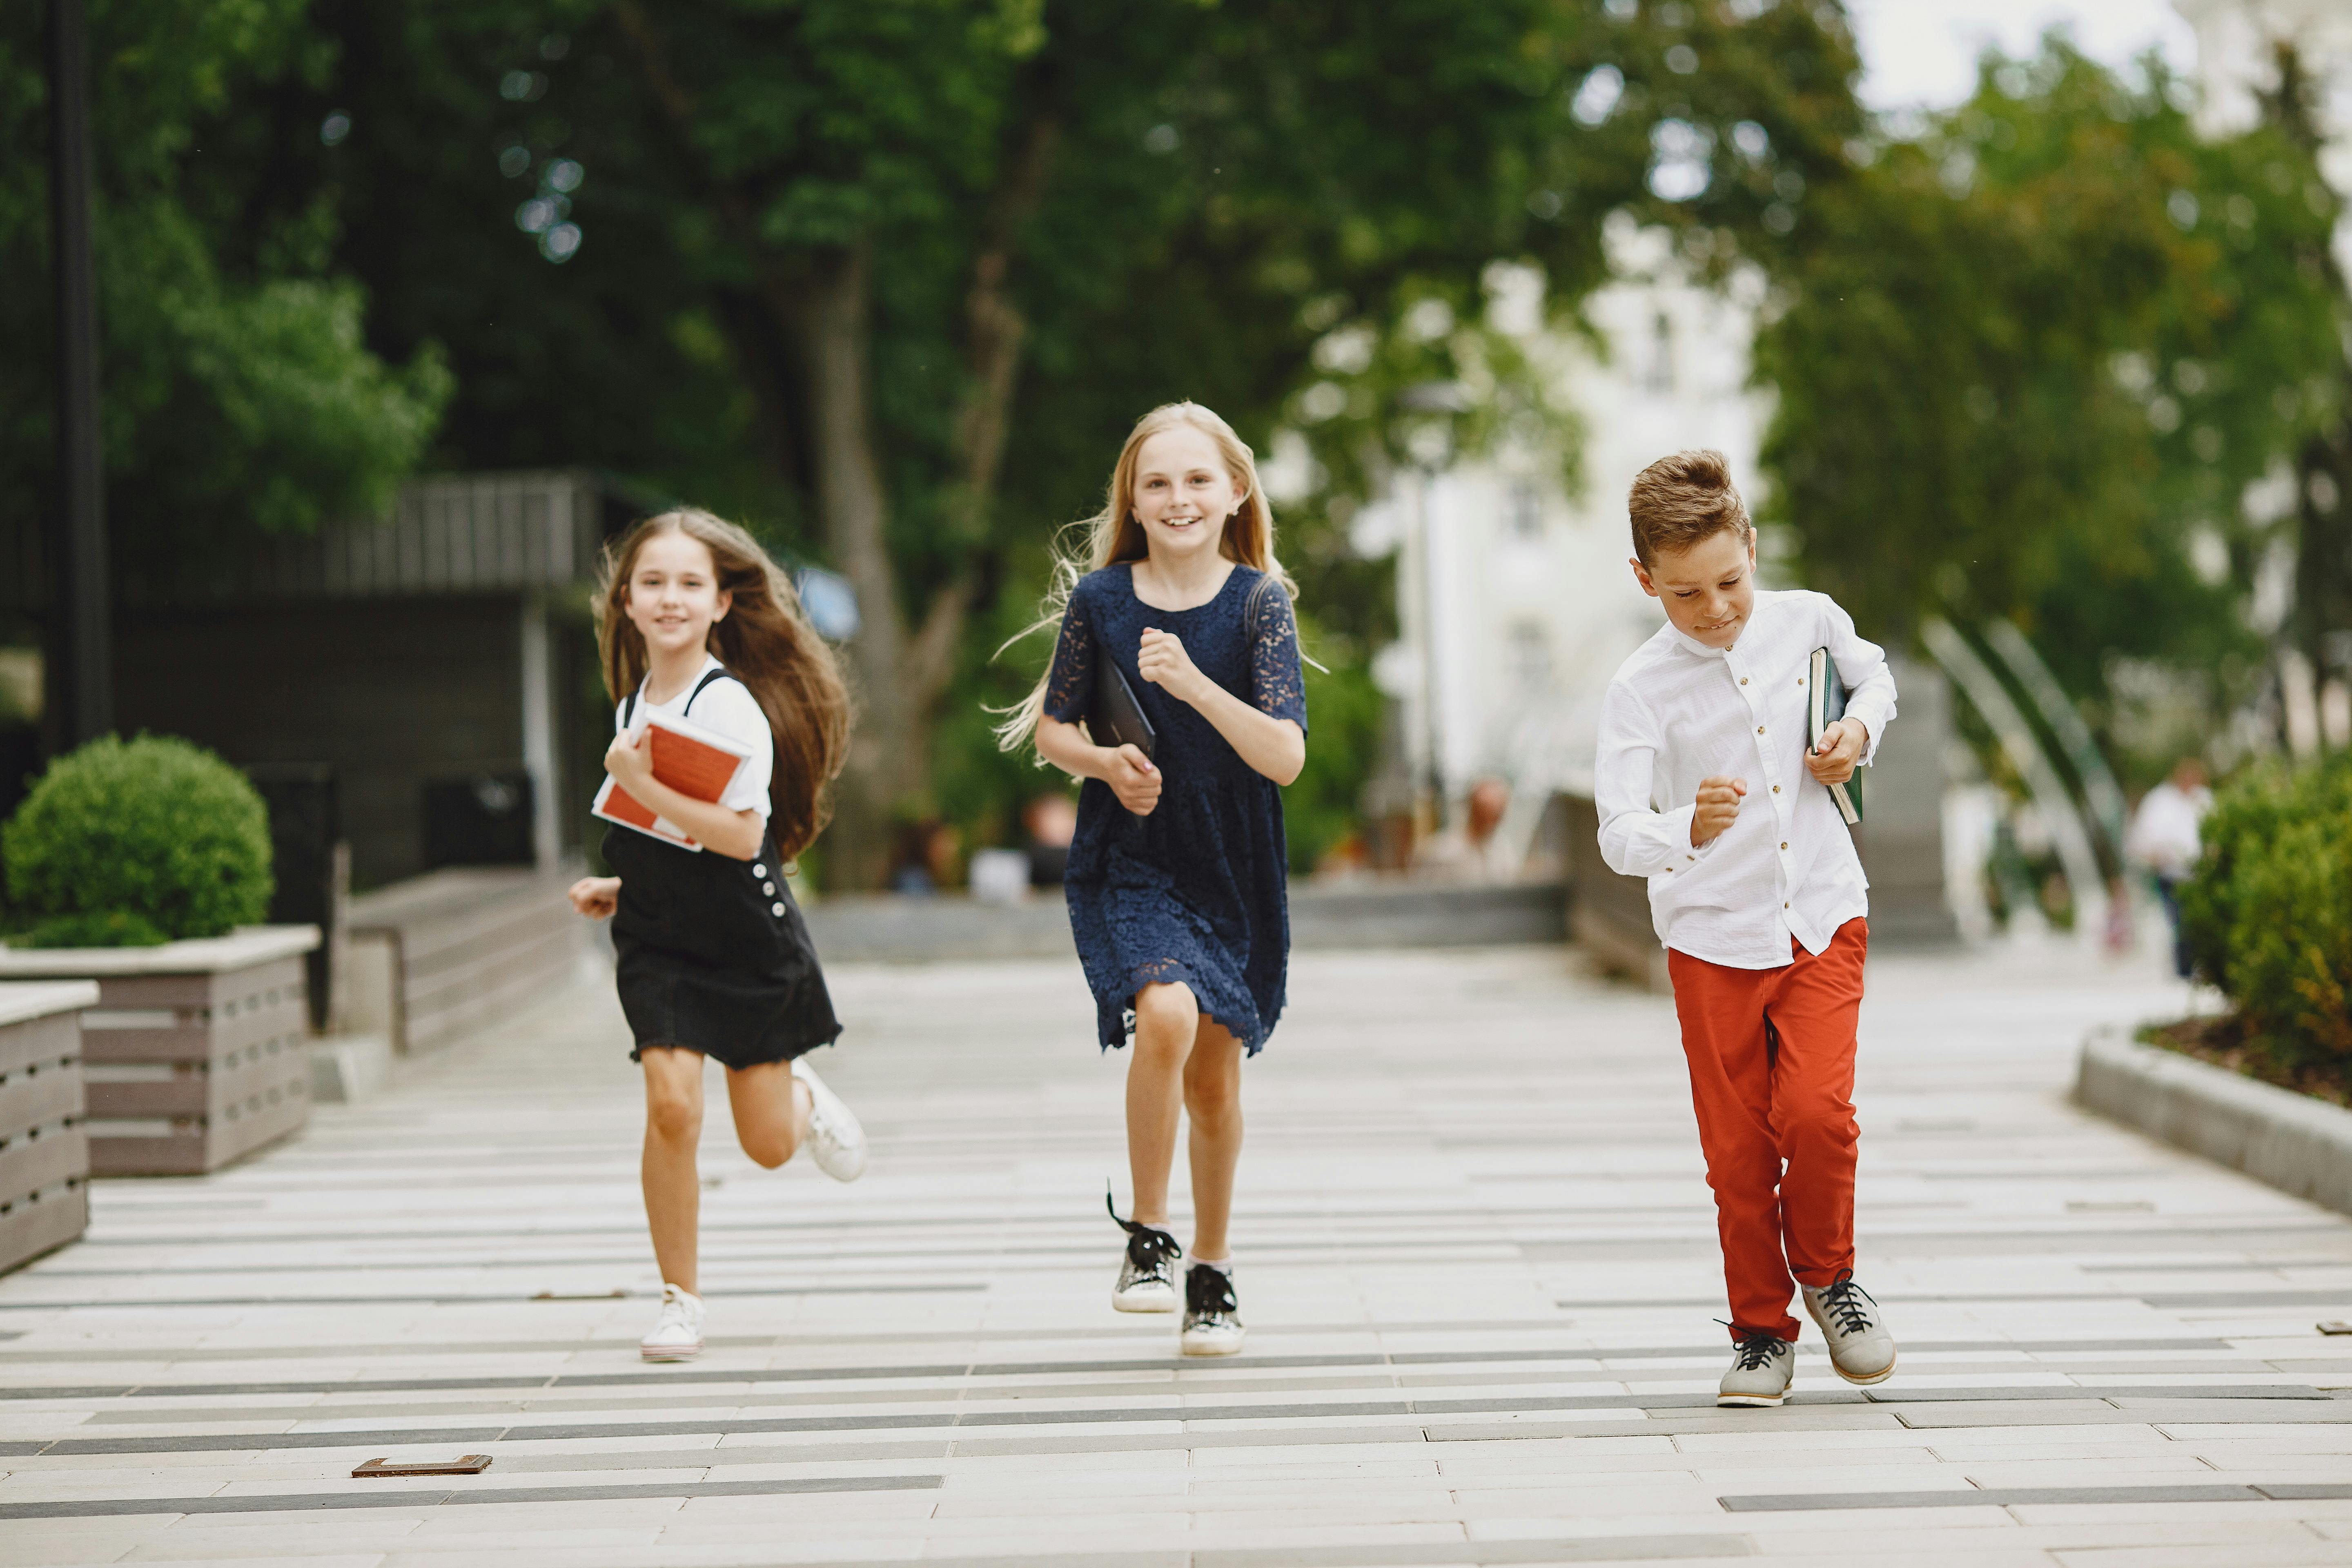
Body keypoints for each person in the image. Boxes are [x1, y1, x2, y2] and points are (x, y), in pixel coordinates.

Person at [998, 402, 1308, 1357]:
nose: (1177, 497)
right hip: (1133, 853)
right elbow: (1054, 728)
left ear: (1234, 492)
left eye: (1196, 480)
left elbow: (1285, 756)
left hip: (1231, 861)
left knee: (1214, 1086)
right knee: (1164, 1011)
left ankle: (1209, 1267)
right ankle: (1147, 1233)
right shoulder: (1101, 600)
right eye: (1157, 481)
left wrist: (1190, 687)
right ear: (1131, 498)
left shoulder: (1259, 603)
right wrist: (1103, 767)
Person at [1594, 450, 1900, 1409]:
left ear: (1751, 550)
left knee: (1816, 1115)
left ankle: (1830, 1278)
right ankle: (1758, 1329)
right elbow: (1613, 829)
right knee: (1734, 1150)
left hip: (1818, 912)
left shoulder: (1808, 619)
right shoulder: (1639, 687)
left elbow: (1873, 681)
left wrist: (1853, 736)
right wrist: (1683, 824)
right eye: (1684, 592)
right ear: (1644, 580)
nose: (1715, 606)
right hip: (1710, 939)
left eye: (1728, 580)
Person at [567, 509, 869, 1363]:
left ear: (722, 603)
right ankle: (679, 1300)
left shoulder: (731, 705)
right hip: (659, 937)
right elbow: (667, 835)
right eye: (653, 583)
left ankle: (802, 1097)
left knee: (768, 1147)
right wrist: (620, 884)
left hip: (746, 940)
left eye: (689, 584)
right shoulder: (634, 700)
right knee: (671, 1104)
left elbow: (739, 839)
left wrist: (634, 779)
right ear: (626, 601)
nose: (670, 598)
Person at [2126, 756, 2213, 979]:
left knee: (2199, 925)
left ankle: (2200, 970)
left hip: (2202, 877)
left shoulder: (2206, 799)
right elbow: (2141, 843)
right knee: (2180, 925)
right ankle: (2183, 974)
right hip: (2172, 877)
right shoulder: (2158, 802)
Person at [1413, 776, 1515, 882]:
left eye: (1496, 813)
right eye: (1484, 810)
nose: (1490, 819)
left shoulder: (1505, 851)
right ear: (1472, 809)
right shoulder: (1444, 851)